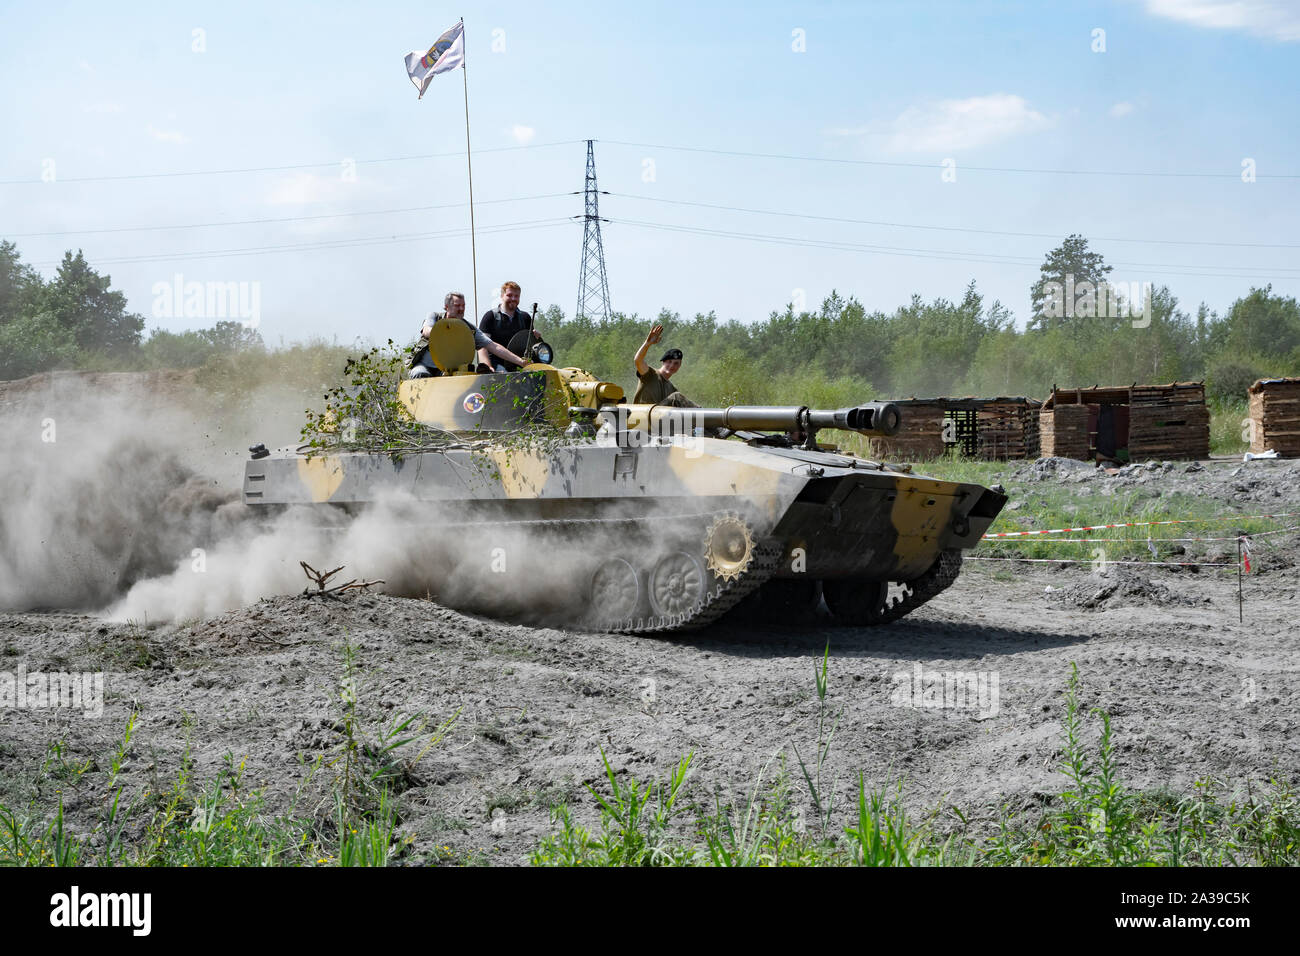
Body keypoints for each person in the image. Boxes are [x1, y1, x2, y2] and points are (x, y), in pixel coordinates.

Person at [410, 292, 525, 378]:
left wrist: (521, 361)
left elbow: (493, 346)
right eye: (457, 305)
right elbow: (427, 331)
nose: (461, 309)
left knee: (457, 382)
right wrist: (449, 333)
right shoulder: (434, 316)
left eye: (463, 305)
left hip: (449, 370)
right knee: (420, 374)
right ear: (446, 307)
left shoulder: (468, 328)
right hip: (425, 365)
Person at [478, 281, 539, 372]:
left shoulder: (525, 318)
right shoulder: (490, 317)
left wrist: (536, 338)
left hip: (519, 364)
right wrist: (487, 366)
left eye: (516, 296)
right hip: (497, 365)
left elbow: (530, 345)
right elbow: (482, 346)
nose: (513, 298)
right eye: (509, 295)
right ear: (502, 296)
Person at [632, 323, 696, 407]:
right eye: (669, 361)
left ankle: (704, 416)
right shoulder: (650, 374)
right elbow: (638, 360)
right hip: (641, 416)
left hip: (660, 418)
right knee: (676, 397)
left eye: (676, 363)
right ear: (663, 362)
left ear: (679, 366)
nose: (672, 365)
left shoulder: (672, 388)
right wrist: (647, 343)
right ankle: (704, 417)